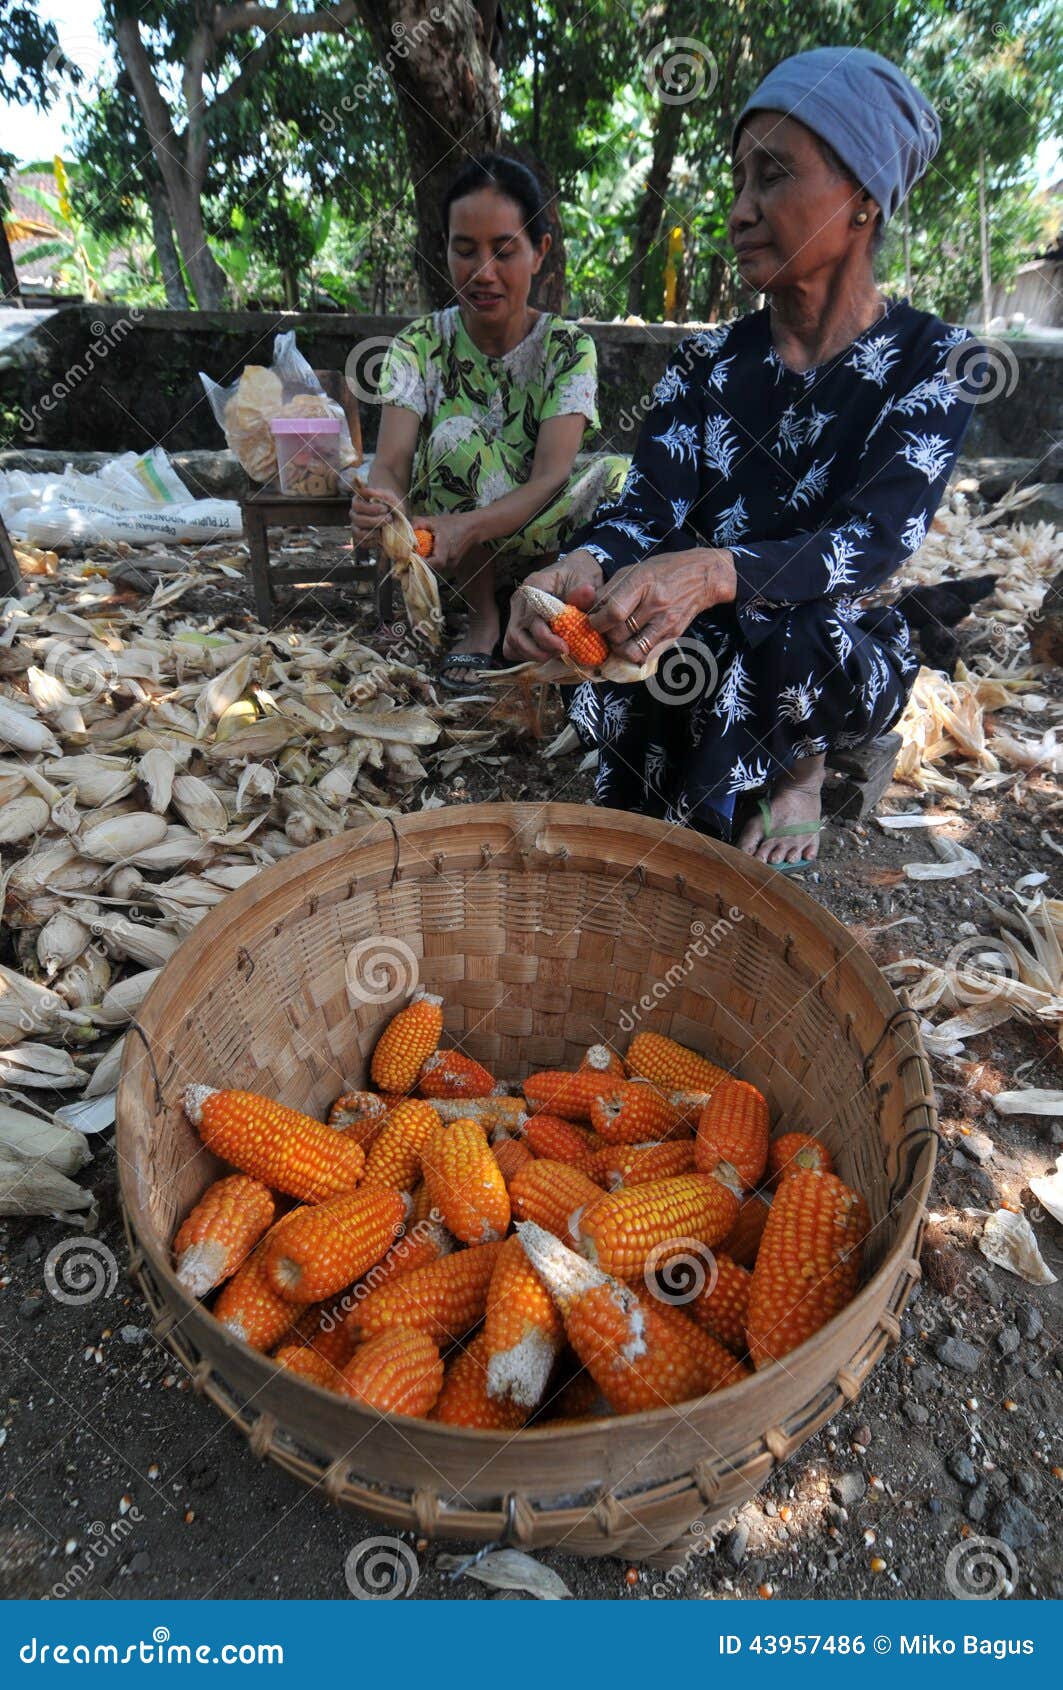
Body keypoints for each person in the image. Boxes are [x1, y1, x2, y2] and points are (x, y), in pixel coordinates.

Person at [504, 46, 983, 869]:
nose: (738, 209)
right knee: (636, 628)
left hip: (821, 643)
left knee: (782, 634)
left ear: (863, 199)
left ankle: (800, 768)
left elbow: (871, 541)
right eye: (738, 181)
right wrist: (573, 569)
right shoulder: (707, 363)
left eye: (773, 177)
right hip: (707, 629)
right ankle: (691, 810)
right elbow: (648, 509)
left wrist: (715, 571)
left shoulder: (932, 362)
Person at [351, 154, 628, 688]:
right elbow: (390, 464)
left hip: (538, 524)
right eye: (465, 249)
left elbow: (550, 479)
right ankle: (484, 621)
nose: (484, 272)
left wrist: (469, 525)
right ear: (444, 250)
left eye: (504, 250)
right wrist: (380, 504)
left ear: (539, 252)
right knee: (455, 438)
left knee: (623, 476)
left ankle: (552, 600)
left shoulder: (569, 348)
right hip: (459, 552)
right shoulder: (417, 346)